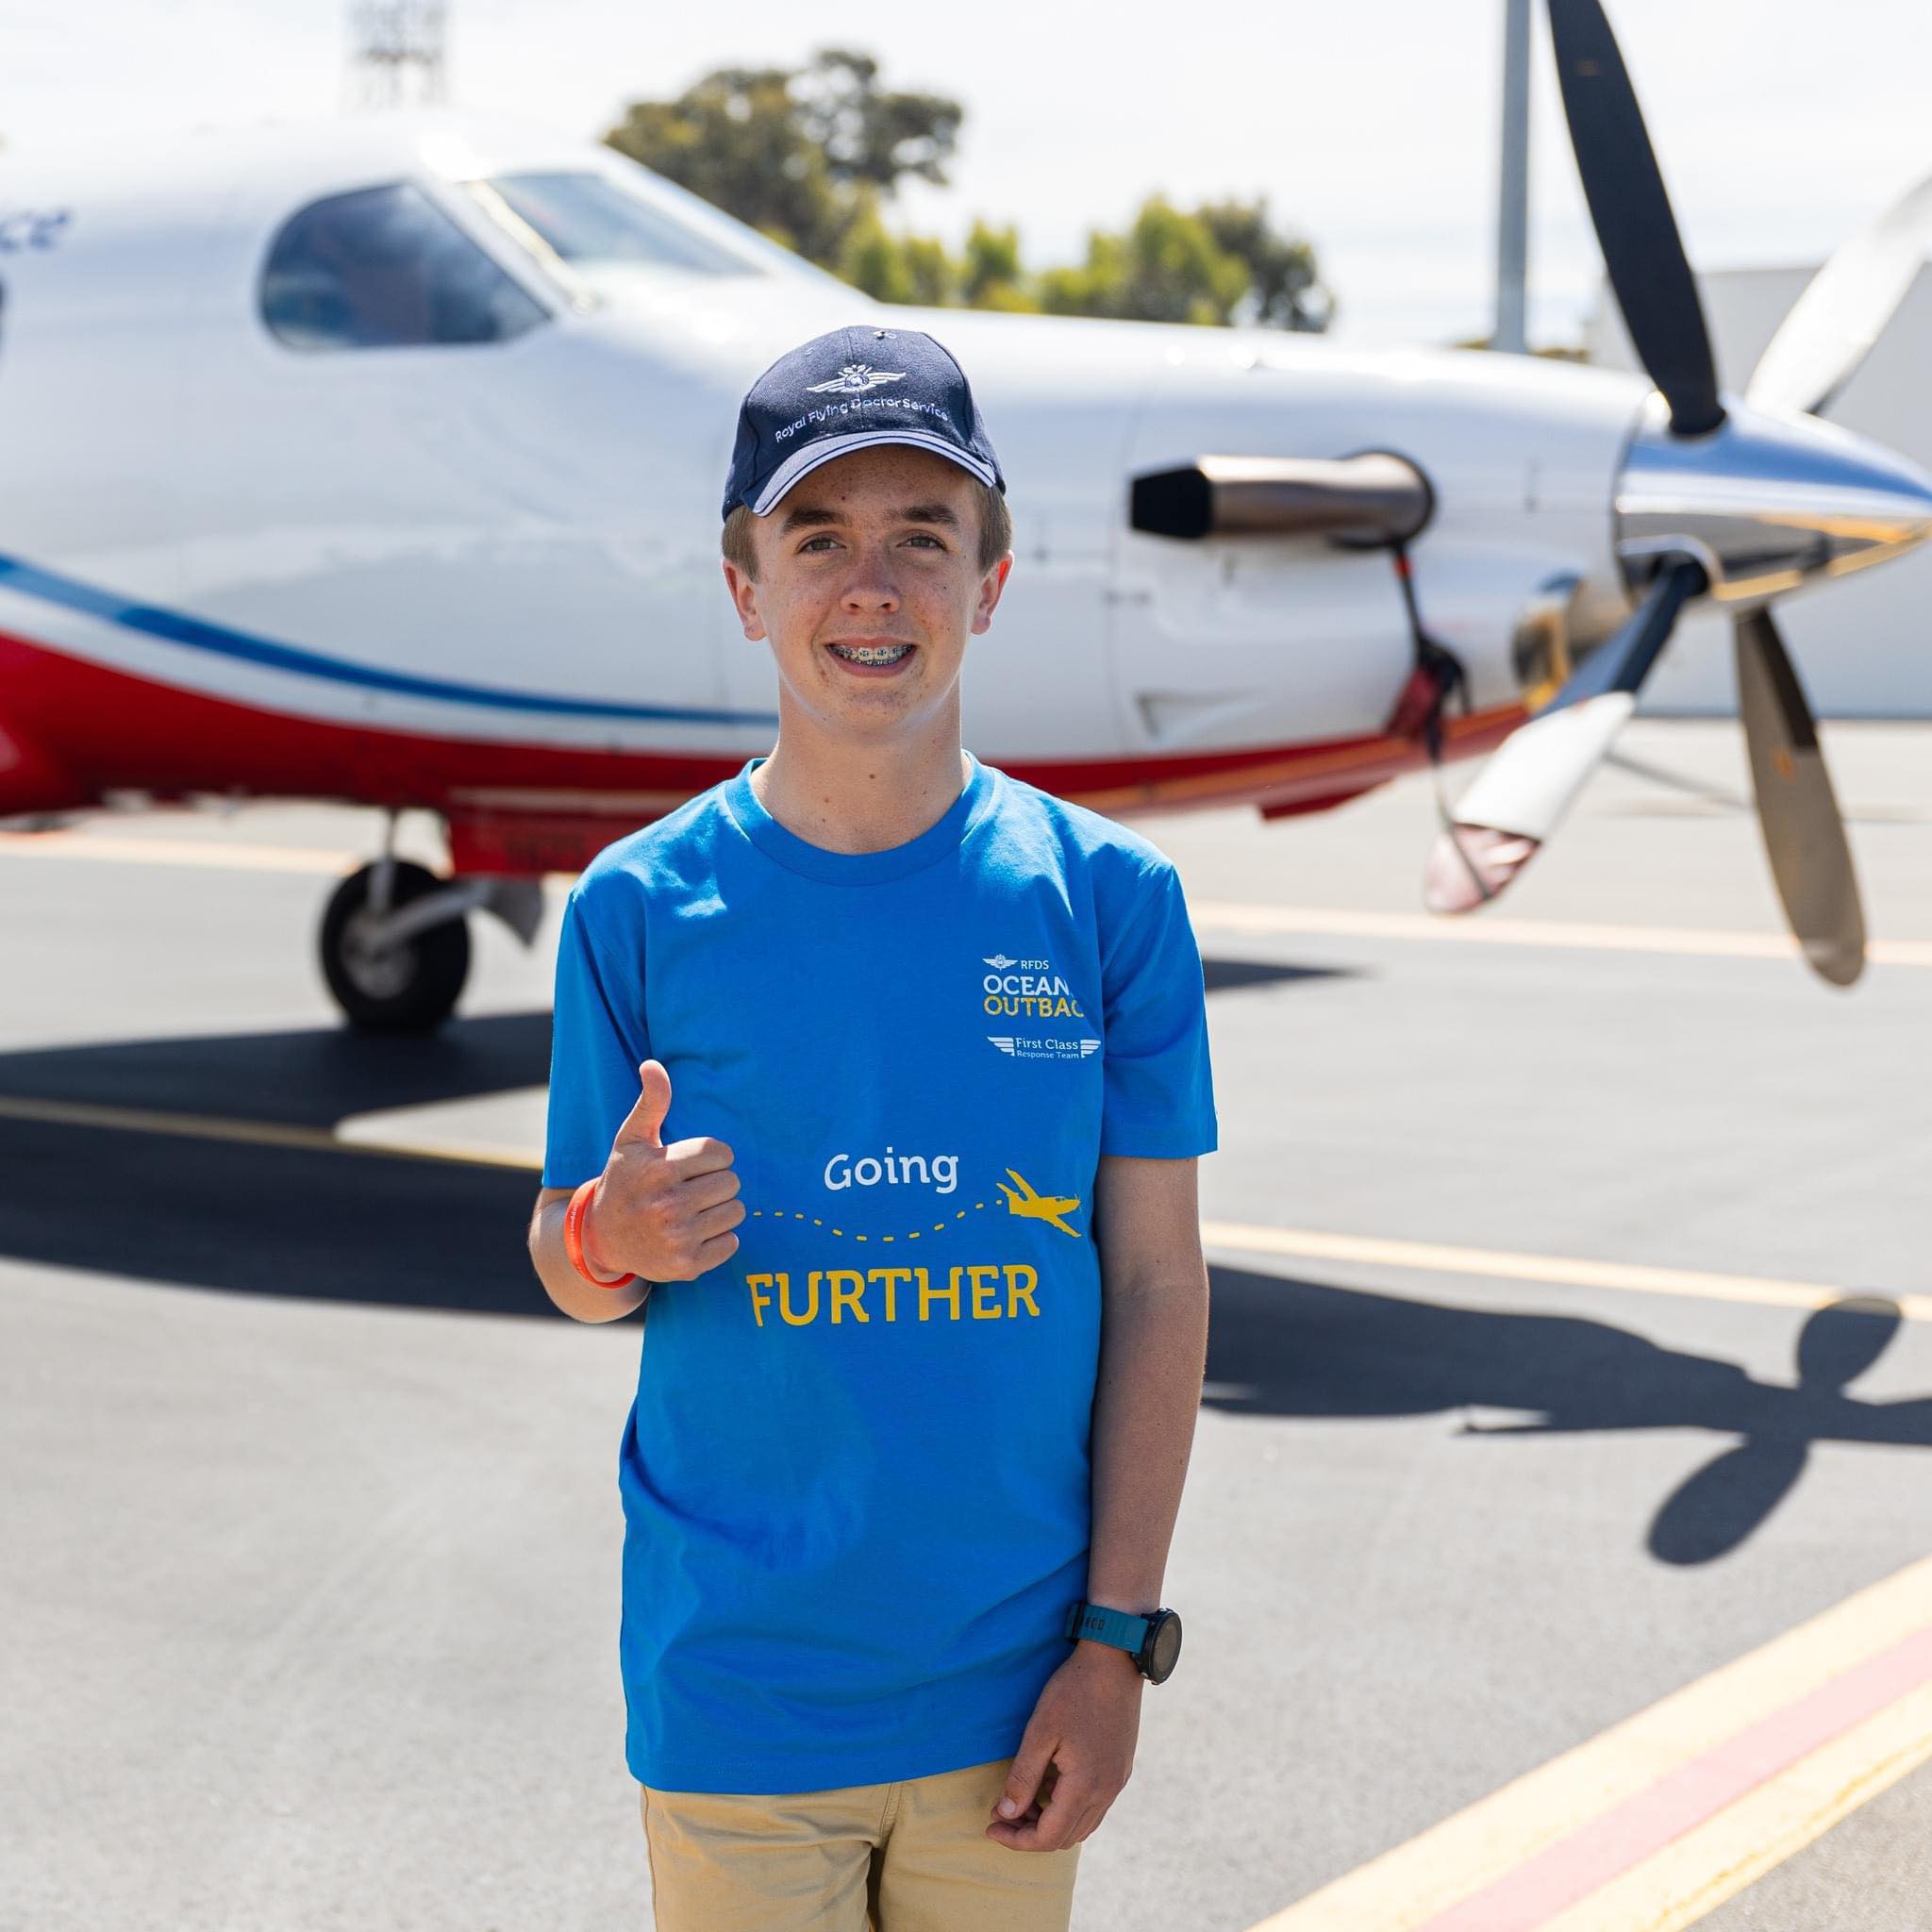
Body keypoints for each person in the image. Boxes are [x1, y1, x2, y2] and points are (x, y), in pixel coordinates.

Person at [525, 323, 1217, 1932]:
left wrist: (1118, 1644)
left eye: (924, 536)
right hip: (740, 1690)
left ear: (989, 579)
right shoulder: (638, 906)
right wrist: (604, 1238)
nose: (871, 584)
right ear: (744, 583)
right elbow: (567, 1259)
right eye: (818, 537)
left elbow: (1163, 1285)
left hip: (1016, 1695)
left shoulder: (1109, 904)